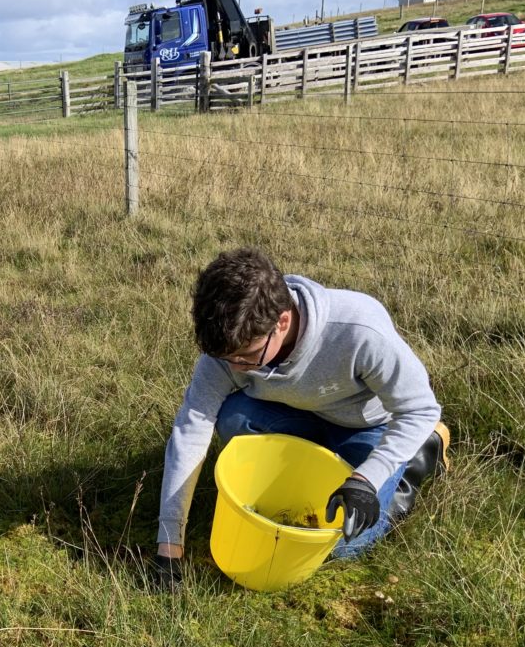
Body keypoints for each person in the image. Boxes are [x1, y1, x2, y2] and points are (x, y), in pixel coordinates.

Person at [154, 248, 448, 589]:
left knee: (343, 545)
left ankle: (417, 459)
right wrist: (169, 545)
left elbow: (420, 408)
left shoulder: (359, 330)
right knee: (234, 417)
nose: (234, 368)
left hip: (365, 427)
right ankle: (312, 470)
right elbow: (192, 428)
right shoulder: (230, 345)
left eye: (246, 357)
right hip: (293, 415)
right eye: (225, 358)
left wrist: (367, 480)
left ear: (282, 321)